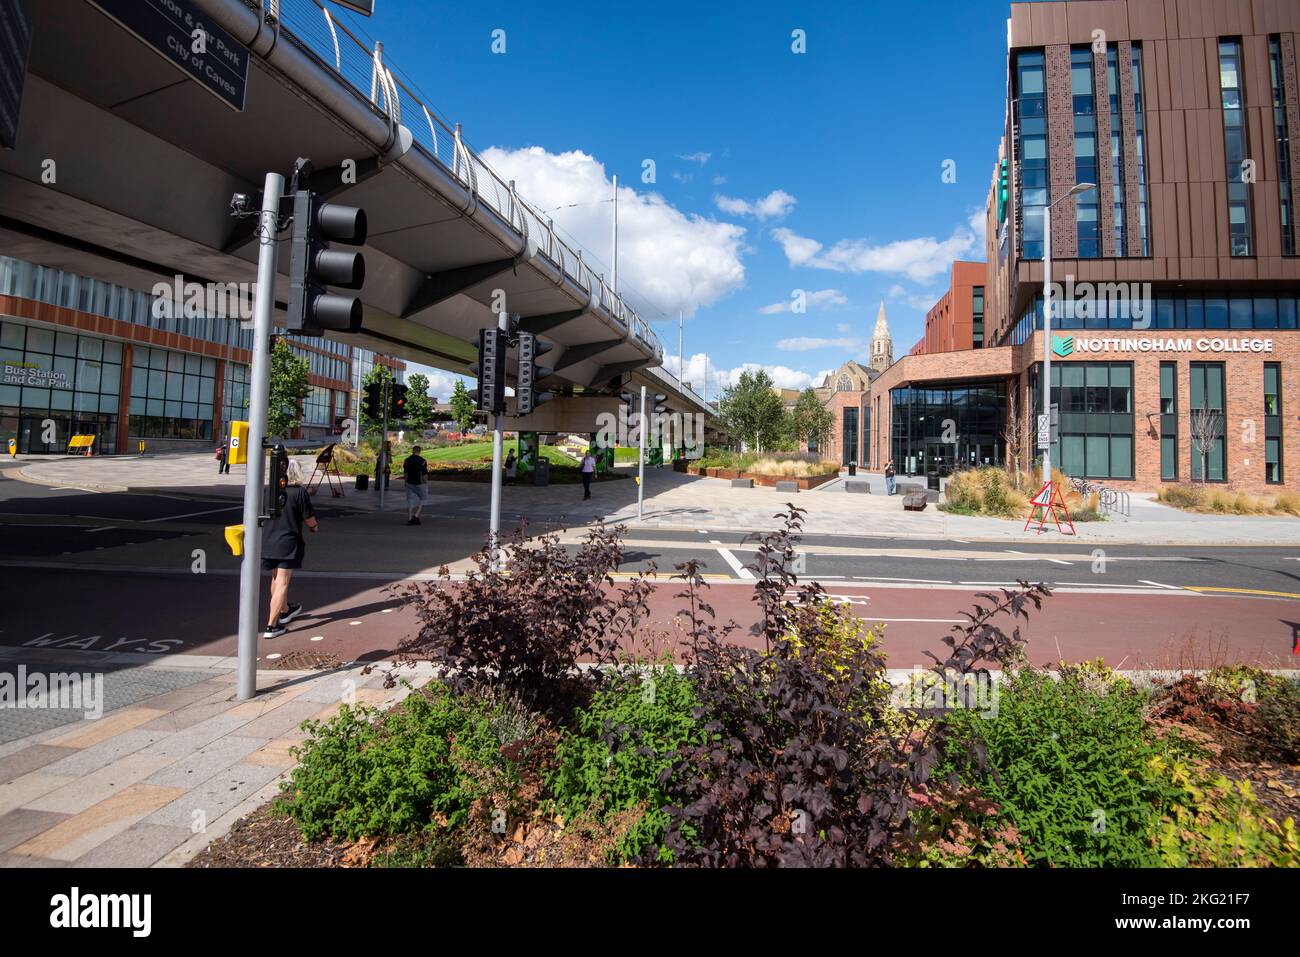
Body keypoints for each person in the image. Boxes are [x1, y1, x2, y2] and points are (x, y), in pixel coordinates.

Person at [262, 459, 316, 639]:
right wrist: (314, 527)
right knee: (283, 582)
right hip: (288, 541)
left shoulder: (269, 491)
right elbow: (309, 519)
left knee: (275, 579)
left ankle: (284, 610)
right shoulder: (299, 493)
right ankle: (272, 625)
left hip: (268, 540)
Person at [403, 445, 429, 525]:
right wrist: (425, 482)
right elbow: (424, 474)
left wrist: (405, 481)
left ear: (412, 451)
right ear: (420, 451)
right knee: (424, 498)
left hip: (409, 482)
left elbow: (406, 473)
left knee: (410, 500)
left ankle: (410, 518)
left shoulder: (407, 460)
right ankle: (416, 516)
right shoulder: (423, 461)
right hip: (419, 483)